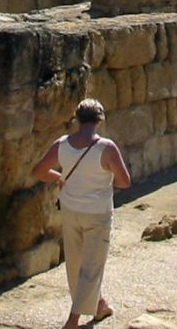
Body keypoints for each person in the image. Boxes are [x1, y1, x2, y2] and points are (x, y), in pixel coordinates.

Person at [32, 99, 131, 329]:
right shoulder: (106, 147)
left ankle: (99, 306)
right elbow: (124, 181)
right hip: (97, 213)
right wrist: (103, 180)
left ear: (76, 118)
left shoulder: (61, 144)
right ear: (100, 120)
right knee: (92, 266)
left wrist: (59, 178)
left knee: (75, 264)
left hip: (70, 210)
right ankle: (73, 321)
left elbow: (38, 171)